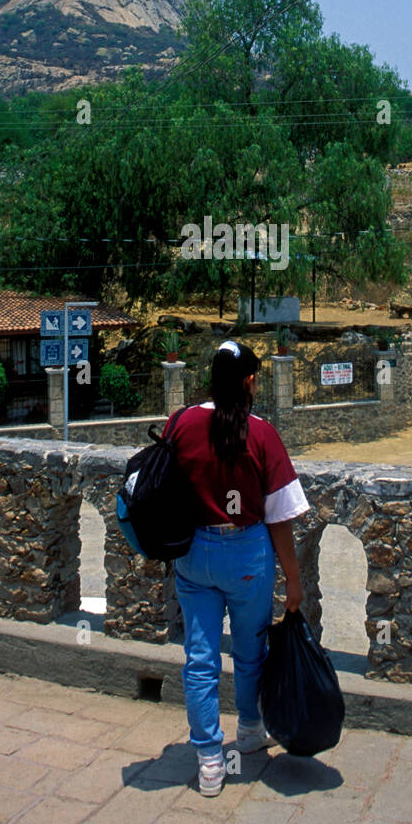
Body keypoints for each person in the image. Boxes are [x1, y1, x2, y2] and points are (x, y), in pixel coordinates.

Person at [163, 340, 307, 796]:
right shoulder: (261, 433)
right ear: (248, 381)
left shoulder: (182, 423)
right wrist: (294, 580)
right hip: (246, 554)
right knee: (250, 651)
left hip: (194, 554)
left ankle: (208, 759)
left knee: (200, 658)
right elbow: (280, 518)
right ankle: (248, 731)